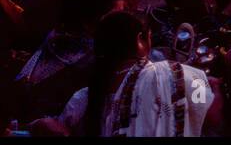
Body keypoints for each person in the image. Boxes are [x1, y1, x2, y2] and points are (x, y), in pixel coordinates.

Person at [54, 10, 219, 137]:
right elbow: (214, 116)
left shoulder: (82, 99)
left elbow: (57, 129)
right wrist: (218, 90)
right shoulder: (172, 73)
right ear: (140, 39)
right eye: (149, 37)